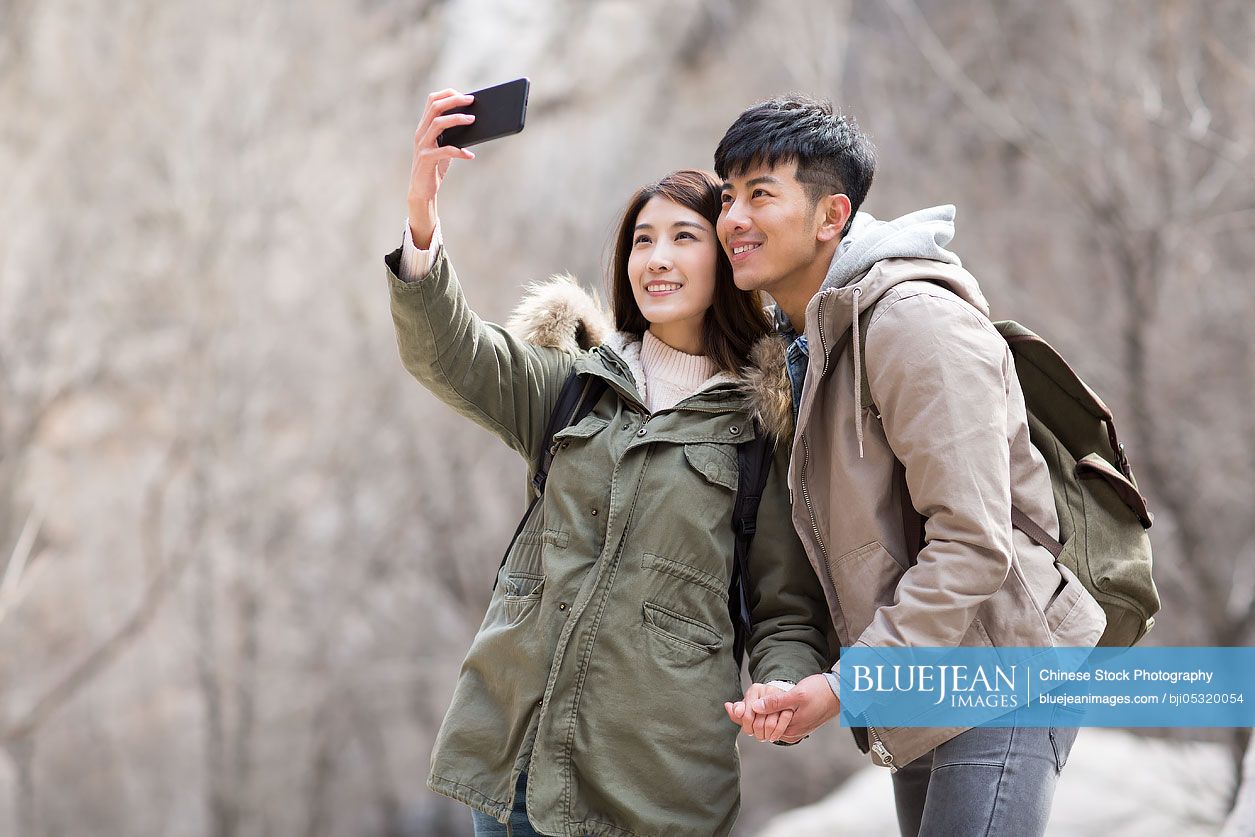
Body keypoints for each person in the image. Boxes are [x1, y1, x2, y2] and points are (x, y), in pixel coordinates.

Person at [388, 89, 832, 837]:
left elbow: (786, 608)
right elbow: (451, 353)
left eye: (682, 238)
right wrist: (422, 216)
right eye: (641, 240)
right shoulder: (573, 385)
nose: (656, 258)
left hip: (655, 787)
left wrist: (784, 689)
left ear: (726, 258)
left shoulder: (765, 426)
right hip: (517, 764)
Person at [716, 96, 1106, 837]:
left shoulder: (910, 322)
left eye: (759, 194)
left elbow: (972, 542)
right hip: (922, 675)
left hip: (1001, 665)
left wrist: (846, 684)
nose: (732, 216)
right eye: (727, 195)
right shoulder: (810, 344)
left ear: (831, 216)